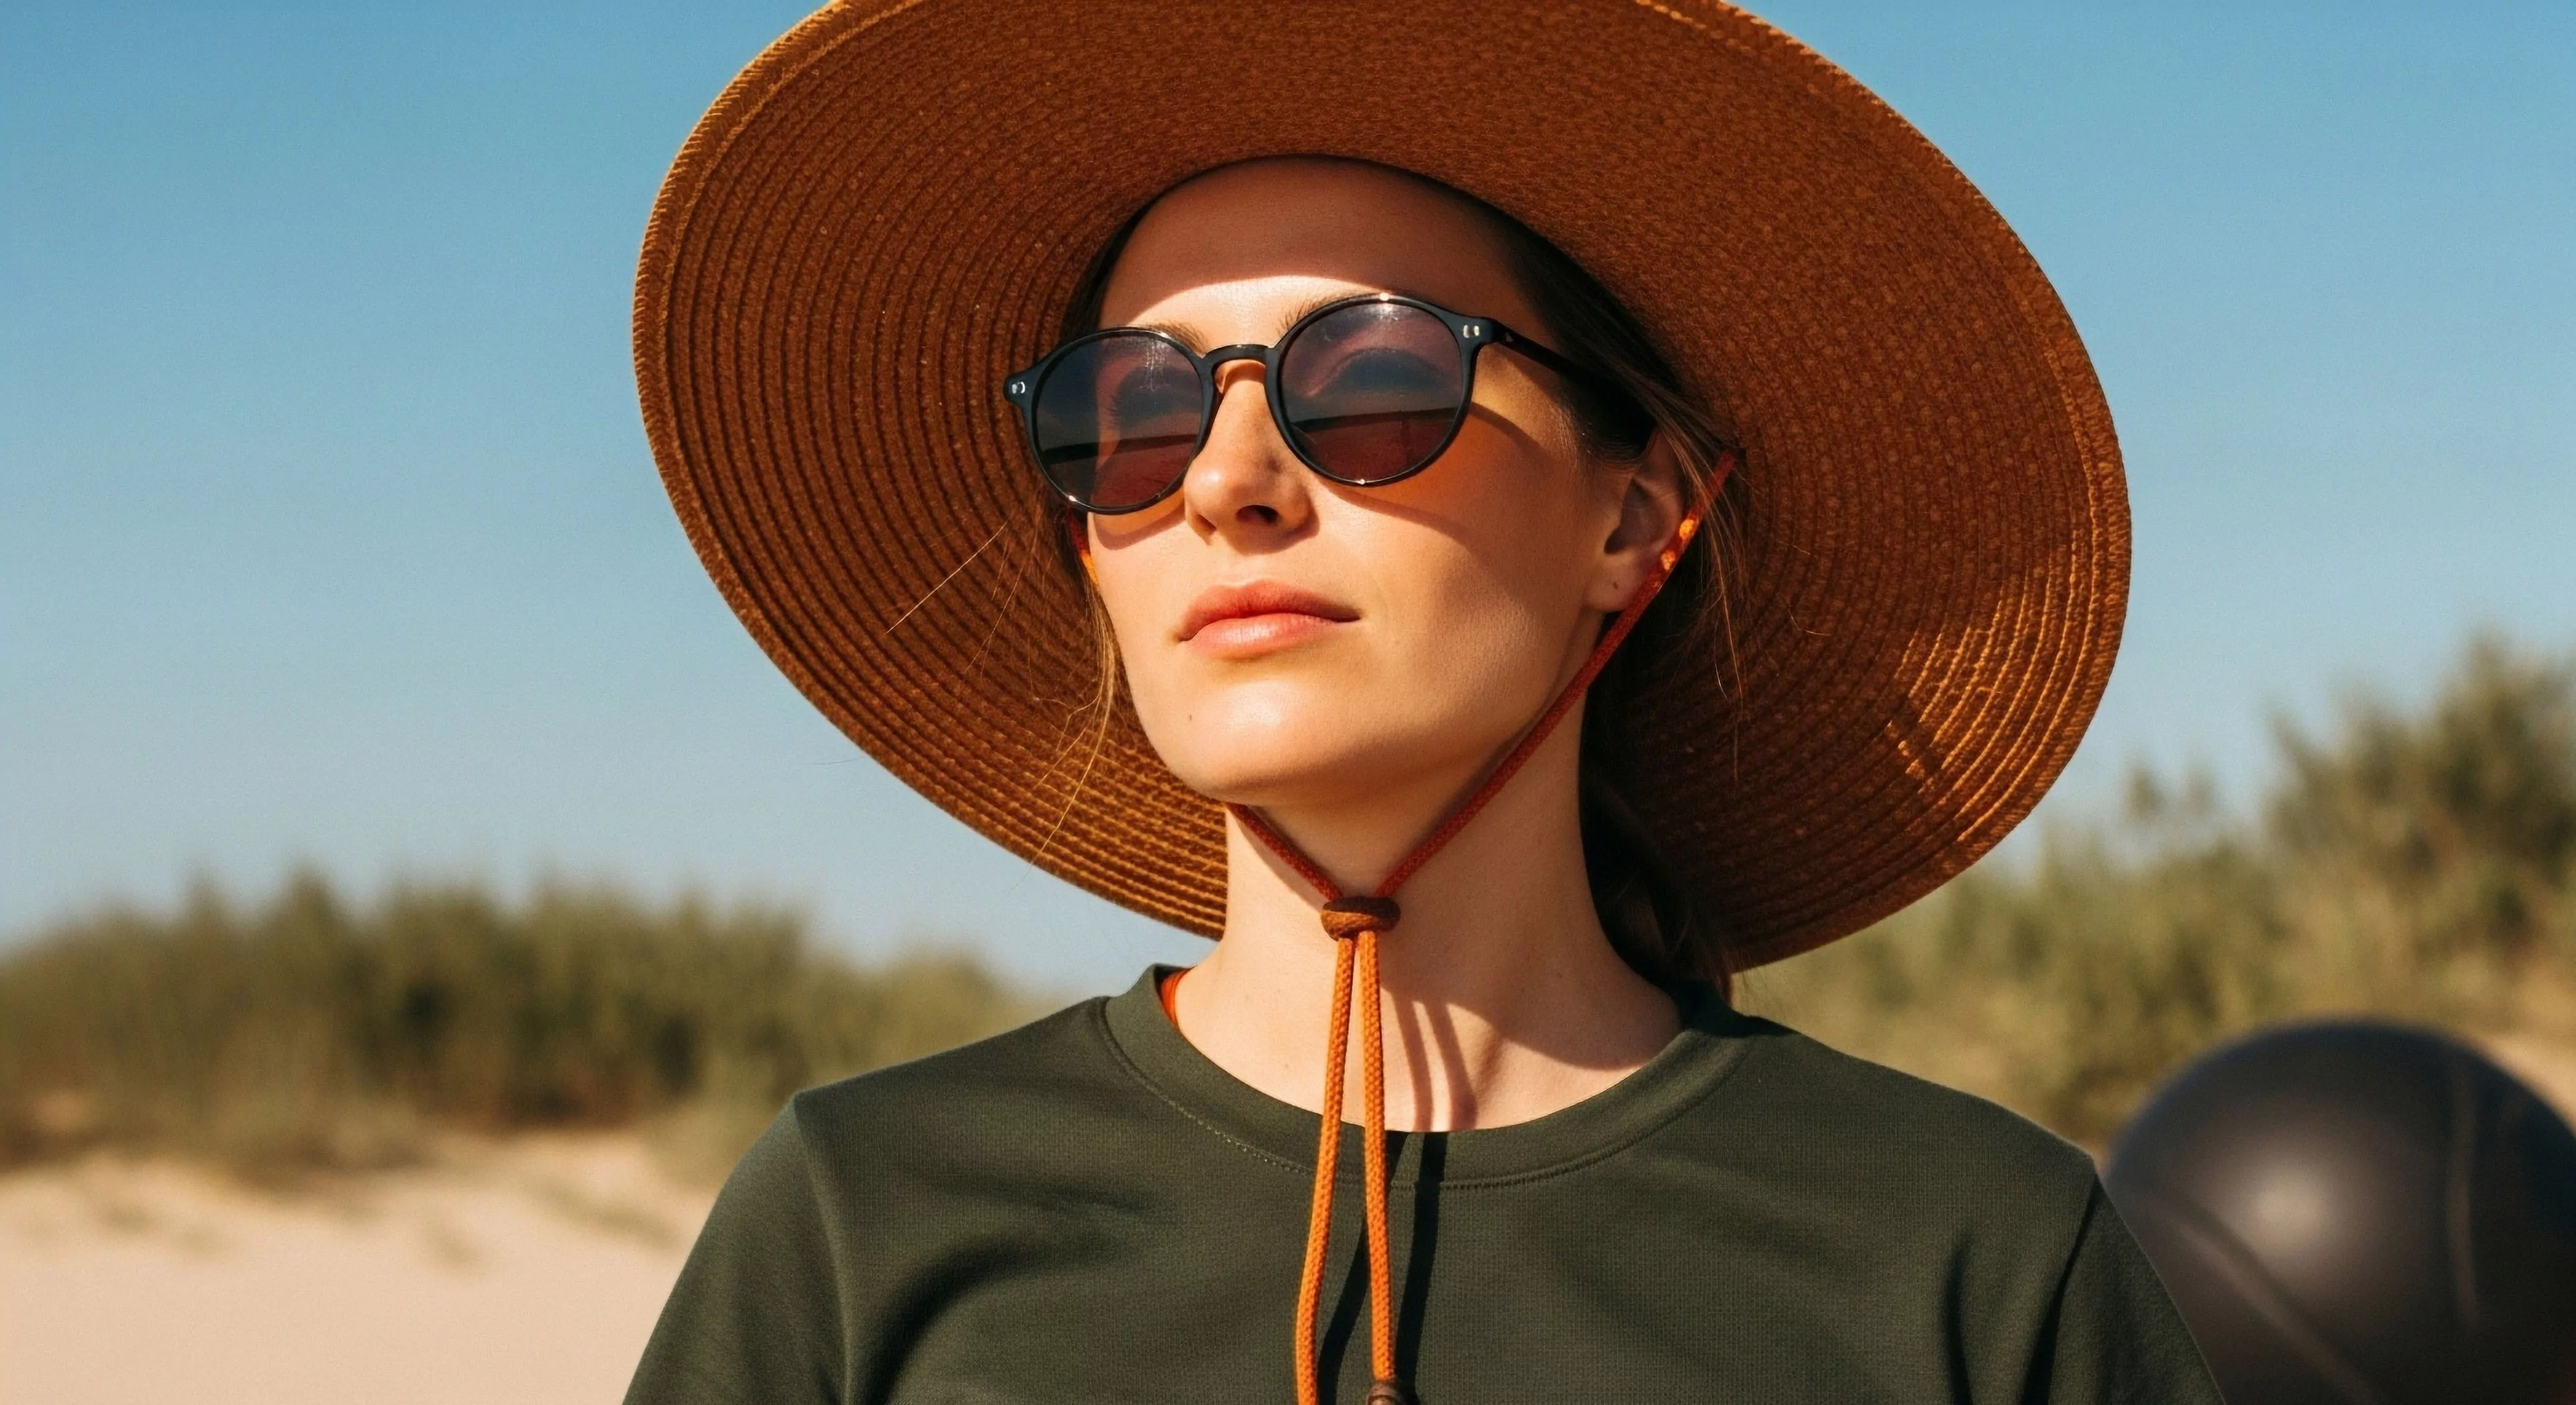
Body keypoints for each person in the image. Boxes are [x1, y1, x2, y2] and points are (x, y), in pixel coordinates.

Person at [624, 3, 2221, 1401]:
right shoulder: (861, 1218)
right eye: (1130, 412)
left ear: (1631, 517)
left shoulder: (1970, 1254)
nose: (1225, 485)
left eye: (1371, 381)